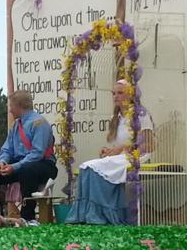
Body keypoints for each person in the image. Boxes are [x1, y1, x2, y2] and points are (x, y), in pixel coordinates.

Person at [65, 80, 155, 225]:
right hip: (122, 157)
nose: (115, 96)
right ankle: (86, 215)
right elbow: (118, 147)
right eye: (113, 93)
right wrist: (108, 151)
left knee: (94, 168)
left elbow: (149, 145)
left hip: (138, 157)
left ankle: (104, 216)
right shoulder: (117, 118)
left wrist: (122, 149)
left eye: (120, 93)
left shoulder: (140, 115)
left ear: (131, 95)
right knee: (86, 167)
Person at [0, 90, 57, 222]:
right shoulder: (16, 125)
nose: (10, 110)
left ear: (20, 106)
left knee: (27, 171)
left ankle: (28, 217)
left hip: (44, 165)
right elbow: (7, 148)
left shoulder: (39, 123)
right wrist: (2, 162)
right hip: (19, 165)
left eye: (11, 106)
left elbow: (37, 154)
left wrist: (15, 167)